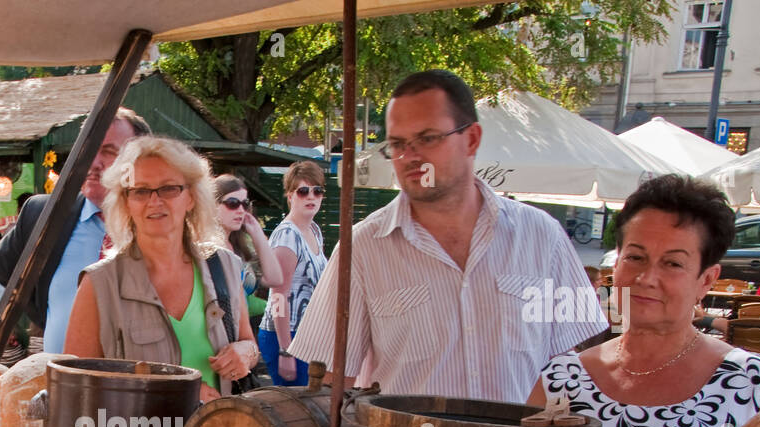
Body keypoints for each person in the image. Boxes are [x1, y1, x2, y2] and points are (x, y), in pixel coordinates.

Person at [288, 70, 607, 403]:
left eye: (427, 138)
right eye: (397, 144)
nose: (409, 157)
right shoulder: (362, 249)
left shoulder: (543, 236)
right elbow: (330, 386)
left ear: (471, 139)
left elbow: (574, 366)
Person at [528, 175, 760, 427]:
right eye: (635, 257)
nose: (646, 277)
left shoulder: (757, 385)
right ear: (616, 264)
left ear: (706, 279)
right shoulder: (560, 381)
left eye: (673, 263)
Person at [64, 136, 258, 402]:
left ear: (190, 197)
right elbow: (76, 391)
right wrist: (180, 394)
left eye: (168, 188)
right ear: (126, 203)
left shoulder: (223, 266)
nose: (154, 201)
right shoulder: (99, 284)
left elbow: (248, 341)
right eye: (141, 191)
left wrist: (245, 352)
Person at [0, 107, 150, 354]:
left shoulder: (158, 223)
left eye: (108, 152)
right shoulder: (45, 214)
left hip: (131, 385)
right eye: (88, 149)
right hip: (61, 385)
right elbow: (3, 267)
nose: (93, 162)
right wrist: (50, 313)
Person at [260, 161, 327, 387]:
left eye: (317, 191)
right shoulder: (287, 235)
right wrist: (285, 351)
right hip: (285, 336)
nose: (311, 197)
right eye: (303, 191)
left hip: (308, 335)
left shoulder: (314, 230)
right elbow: (279, 296)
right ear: (290, 196)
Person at [213, 173, 284, 324]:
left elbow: (275, 278)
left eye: (244, 204)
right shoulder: (206, 249)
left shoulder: (240, 245)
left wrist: (256, 232)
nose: (240, 210)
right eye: (232, 203)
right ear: (212, 205)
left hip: (241, 331)